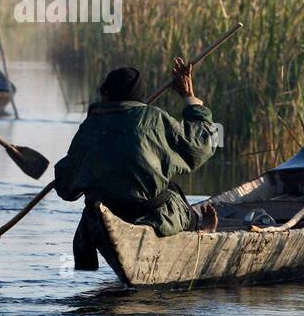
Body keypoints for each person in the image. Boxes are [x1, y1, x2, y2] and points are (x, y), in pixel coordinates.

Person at [55, 58, 218, 267]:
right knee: (179, 201)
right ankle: (200, 229)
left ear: (106, 94)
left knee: (169, 190)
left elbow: (66, 189)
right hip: (153, 216)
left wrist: (70, 171)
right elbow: (205, 142)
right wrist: (189, 97)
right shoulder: (155, 120)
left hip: (99, 221)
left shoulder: (90, 126)